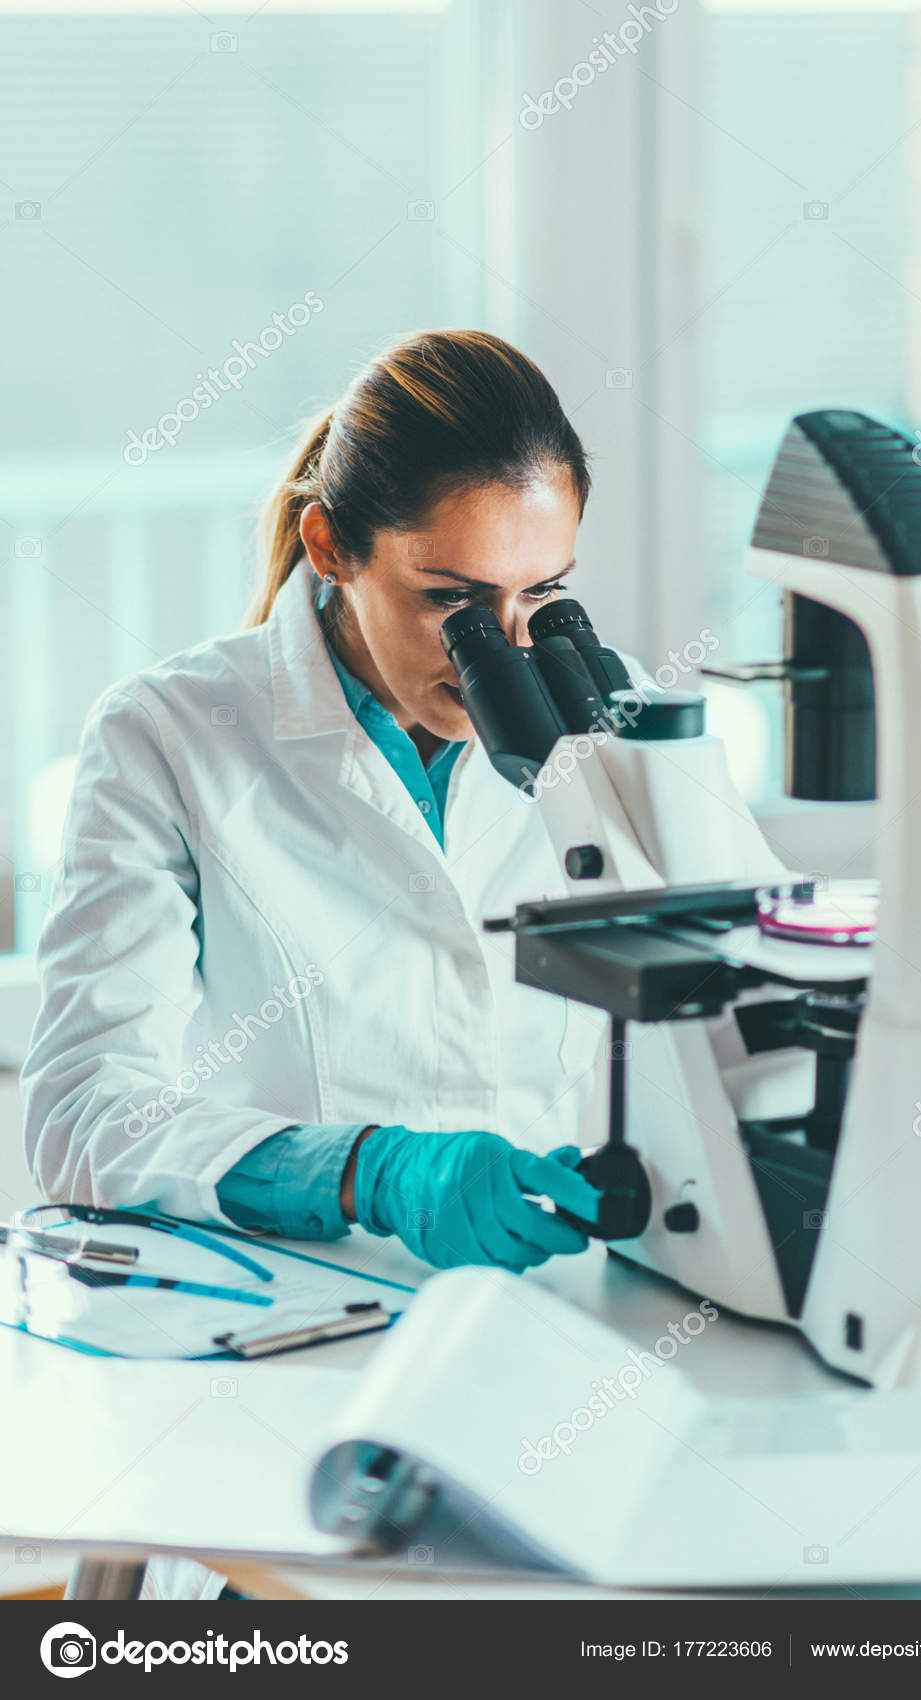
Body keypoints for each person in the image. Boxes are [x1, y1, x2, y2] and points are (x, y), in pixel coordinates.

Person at [20, 329, 647, 1599]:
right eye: (453, 603)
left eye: (543, 599)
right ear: (328, 547)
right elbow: (84, 1117)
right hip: (288, 1370)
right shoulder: (172, 734)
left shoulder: (605, 721)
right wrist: (365, 1168)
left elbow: (738, 985)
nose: (505, 652)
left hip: (551, 1369)